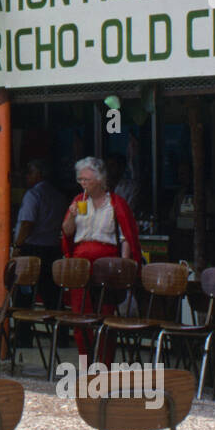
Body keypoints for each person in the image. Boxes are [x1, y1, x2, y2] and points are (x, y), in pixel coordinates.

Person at [60, 155, 141, 364]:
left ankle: (104, 363)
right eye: (81, 180)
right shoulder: (79, 201)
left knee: (105, 317)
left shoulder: (115, 204)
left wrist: (124, 268)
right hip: (80, 266)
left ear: (100, 179)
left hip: (107, 267)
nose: (83, 184)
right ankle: (87, 363)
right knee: (80, 317)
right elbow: (67, 233)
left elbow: (126, 238)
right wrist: (70, 215)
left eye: (87, 179)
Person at [15, 159, 67, 307]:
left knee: (25, 294)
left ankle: (23, 329)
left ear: (39, 175)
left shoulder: (33, 195)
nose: (26, 177)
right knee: (52, 294)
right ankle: (59, 330)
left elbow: (27, 223)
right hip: (53, 249)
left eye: (30, 173)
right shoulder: (58, 195)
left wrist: (18, 246)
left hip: (32, 249)